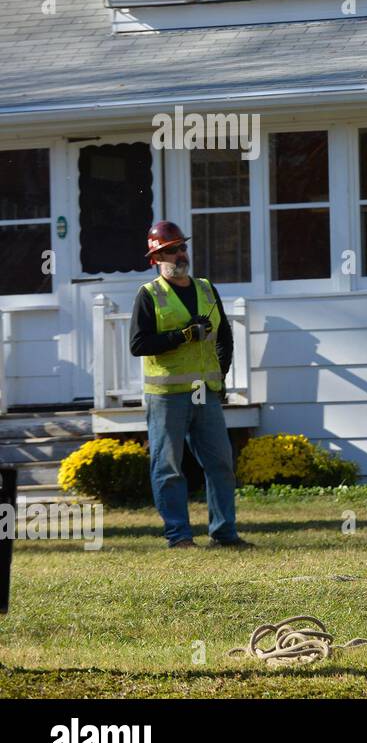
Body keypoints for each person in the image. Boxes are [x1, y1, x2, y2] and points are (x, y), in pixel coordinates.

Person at [129, 221, 248, 550]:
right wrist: (182, 336)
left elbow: (223, 336)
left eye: (182, 247)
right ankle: (179, 536)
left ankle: (224, 533)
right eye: (171, 250)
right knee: (168, 467)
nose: (180, 254)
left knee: (221, 464)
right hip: (166, 396)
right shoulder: (149, 295)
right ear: (156, 258)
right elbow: (138, 345)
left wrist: (220, 375)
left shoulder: (207, 288)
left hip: (205, 393)